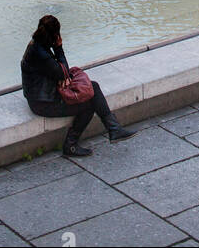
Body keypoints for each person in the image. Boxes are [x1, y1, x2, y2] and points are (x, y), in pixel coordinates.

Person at [21, 14, 133, 157]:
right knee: (90, 103)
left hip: (47, 96)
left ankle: (114, 128)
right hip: (43, 103)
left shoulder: (37, 45)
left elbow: (59, 72)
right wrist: (59, 48)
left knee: (94, 87)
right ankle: (71, 145)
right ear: (55, 35)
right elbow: (64, 72)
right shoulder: (40, 52)